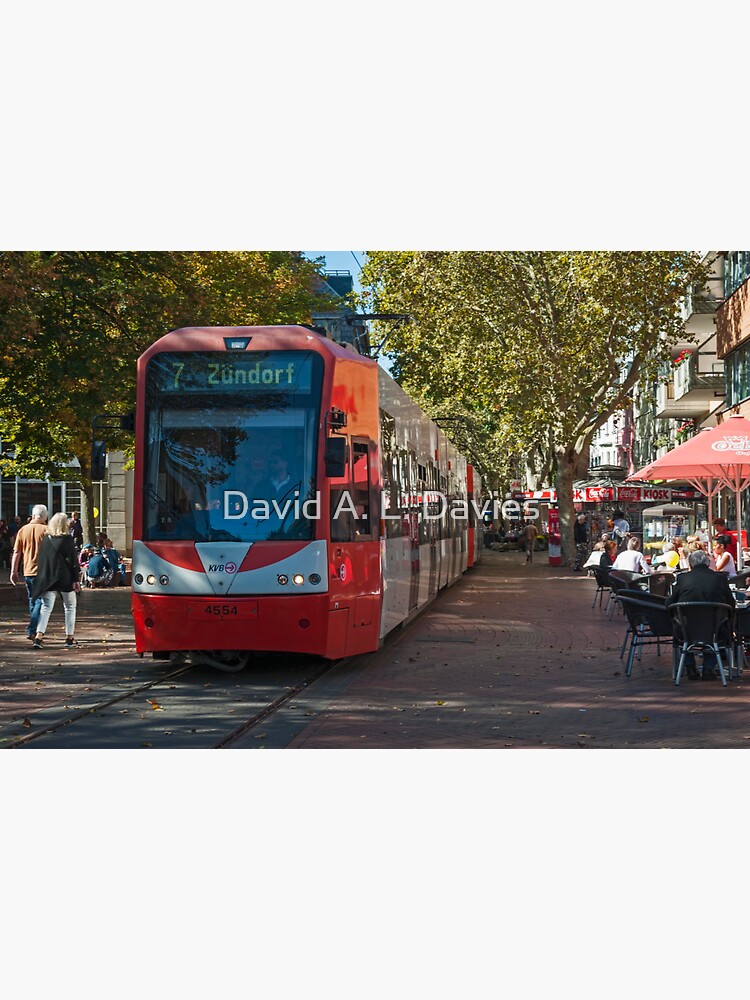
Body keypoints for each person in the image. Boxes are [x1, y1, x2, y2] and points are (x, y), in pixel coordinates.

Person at [666, 549, 735, 679]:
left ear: (690, 564)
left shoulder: (682, 578)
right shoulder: (720, 578)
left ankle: (689, 666)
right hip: (715, 629)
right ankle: (709, 667)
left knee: (680, 631)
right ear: (708, 563)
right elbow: (731, 603)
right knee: (719, 627)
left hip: (686, 629)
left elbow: (670, 602)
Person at [30, 512, 81, 648]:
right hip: (65, 578)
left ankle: (39, 636)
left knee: (46, 608)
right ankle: (69, 637)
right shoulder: (68, 539)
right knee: (70, 607)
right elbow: (73, 561)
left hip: (49, 578)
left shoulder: (46, 539)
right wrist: (76, 579)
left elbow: (42, 560)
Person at [9, 504, 48, 640]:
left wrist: (14, 571)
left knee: (32, 599)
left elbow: (17, 552)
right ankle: (33, 628)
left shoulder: (23, 530)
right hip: (43, 571)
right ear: (45, 516)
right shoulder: (46, 530)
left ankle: (36, 628)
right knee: (40, 602)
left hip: (28, 571)